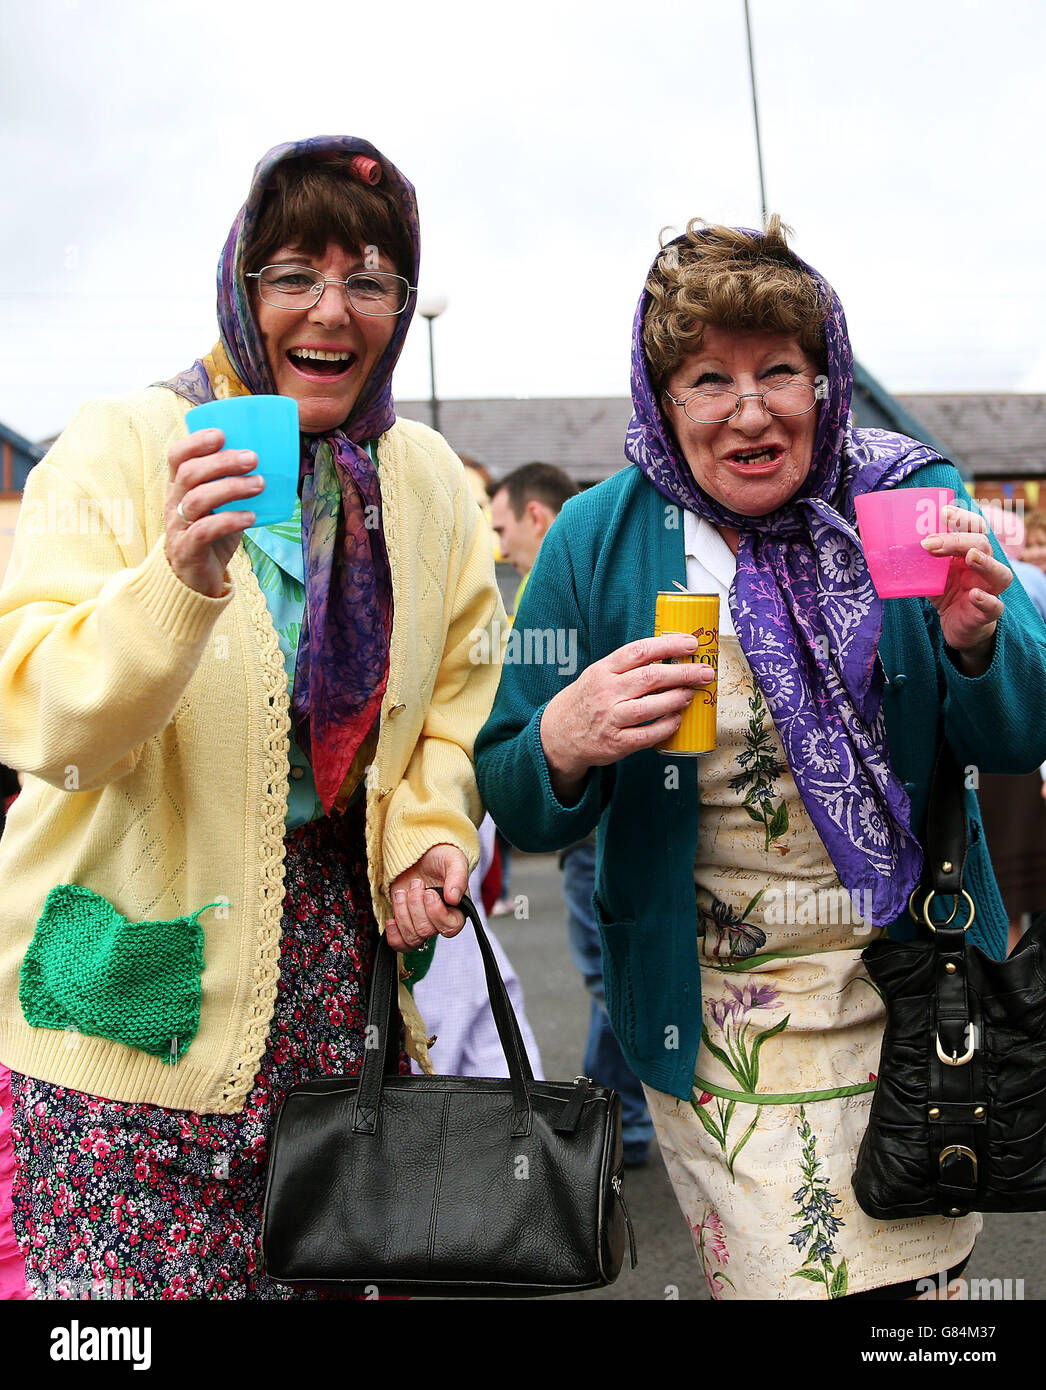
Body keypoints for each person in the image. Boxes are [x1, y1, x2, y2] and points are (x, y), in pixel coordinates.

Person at [475, 216, 1046, 1300]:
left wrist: (981, 642)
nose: (748, 410)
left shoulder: (907, 501)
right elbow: (513, 791)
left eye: (777, 371)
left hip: (912, 1004)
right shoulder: (597, 540)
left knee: (923, 1300)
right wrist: (562, 737)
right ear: (661, 398)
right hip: (714, 1036)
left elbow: (1021, 729)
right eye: (707, 379)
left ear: (822, 380)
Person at [0, 136, 504, 1301]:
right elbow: (38, 713)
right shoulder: (123, 444)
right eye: (294, 273)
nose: (332, 309)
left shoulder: (426, 480)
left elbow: (446, 713)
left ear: (400, 304)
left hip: (335, 993)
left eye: (370, 278)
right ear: (243, 287)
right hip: (129, 990)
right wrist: (175, 576)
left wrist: (425, 834)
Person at [494, 464, 655, 1162]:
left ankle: (618, 1122)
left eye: (501, 529)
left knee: (610, 979)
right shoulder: (562, 574)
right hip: (583, 817)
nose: (498, 546)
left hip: (601, 822)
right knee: (608, 980)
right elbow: (521, 741)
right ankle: (615, 1118)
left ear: (536, 517)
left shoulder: (557, 582)